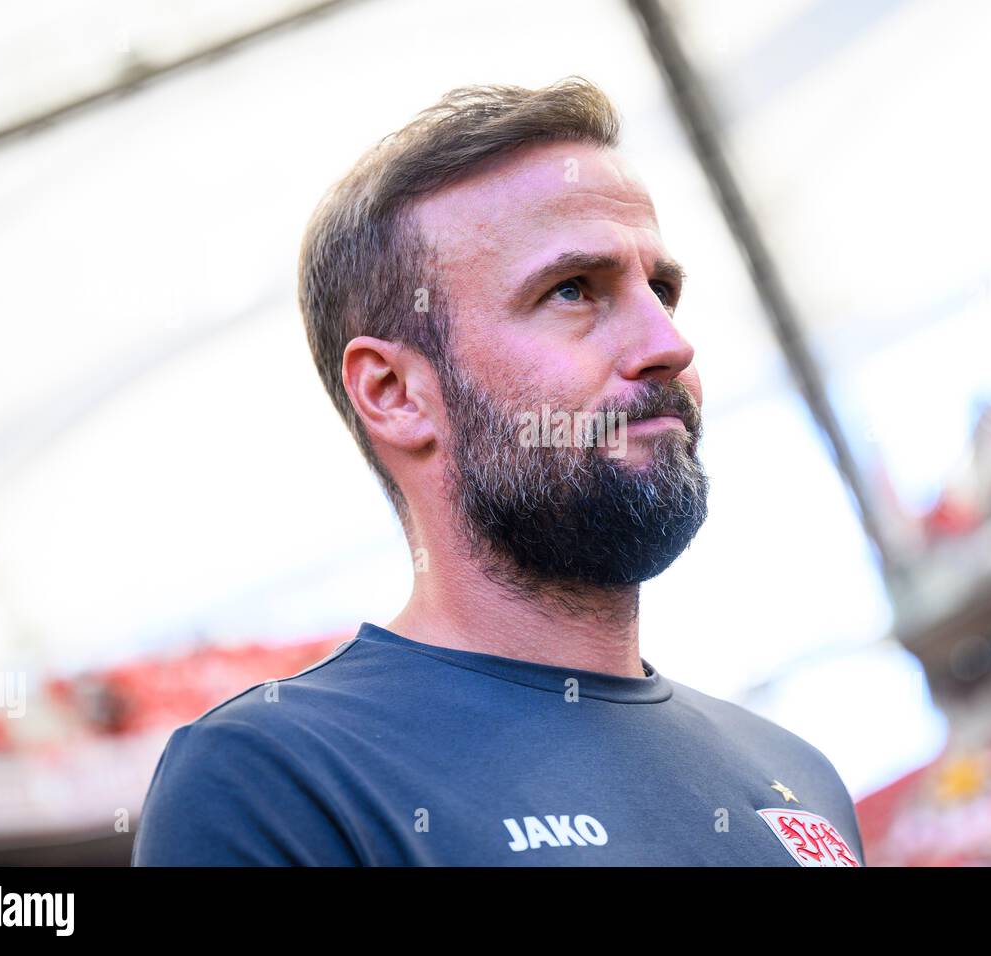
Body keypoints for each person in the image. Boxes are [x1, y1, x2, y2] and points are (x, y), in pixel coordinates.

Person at [131, 76, 864, 866]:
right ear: (396, 394)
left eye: (662, 289)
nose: (669, 343)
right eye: (574, 290)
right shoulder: (274, 782)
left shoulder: (800, 777)